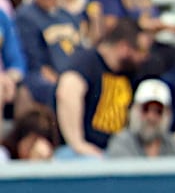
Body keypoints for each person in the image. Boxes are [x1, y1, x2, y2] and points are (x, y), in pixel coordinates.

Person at [55, 18, 144, 158]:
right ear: (124, 48)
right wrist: (77, 143)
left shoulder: (131, 72)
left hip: (118, 150)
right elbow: (67, 91)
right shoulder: (87, 62)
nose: (144, 57)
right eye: (140, 51)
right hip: (84, 153)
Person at [14, 0, 84, 115]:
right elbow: (32, 55)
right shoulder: (26, 16)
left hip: (70, 73)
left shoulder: (68, 16)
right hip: (40, 75)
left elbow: (79, 50)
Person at [105, 78, 175, 159]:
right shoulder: (121, 143)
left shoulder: (174, 147)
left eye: (158, 111)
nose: (151, 117)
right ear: (134, 110)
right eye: (145, 109)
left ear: (167, 114)